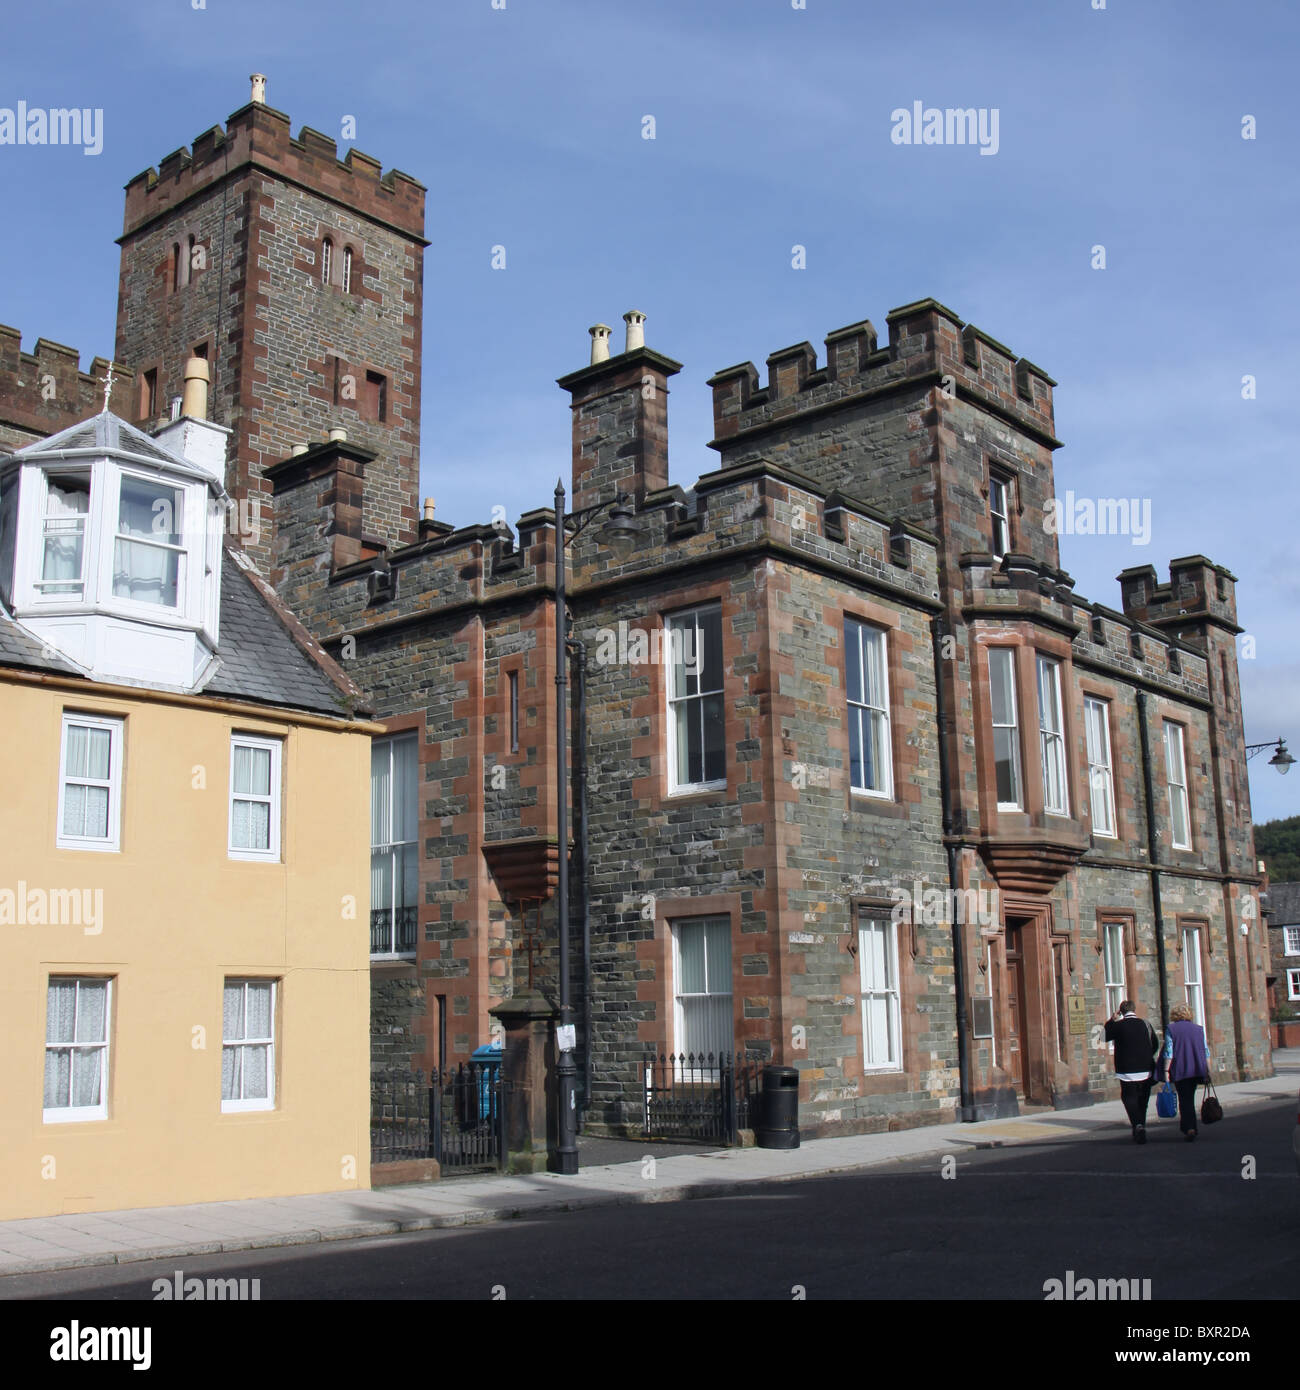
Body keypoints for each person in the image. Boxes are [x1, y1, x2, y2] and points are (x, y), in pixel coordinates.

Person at [1104, 1000, 1160, 1144]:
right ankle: (1141, 1125)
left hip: (1127, 1071)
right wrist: (1146, 1056)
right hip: (1146, 1069)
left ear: (1121, 1011)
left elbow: (1103, 1037)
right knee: (1143, 1101)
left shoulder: (1118, 1026)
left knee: (1129, 1099)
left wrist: (1112, 1020)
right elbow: (1155, 1044)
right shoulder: (1146, 1024)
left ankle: (1137, 1125)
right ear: (1134, 1010)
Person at [1162, 1003, 1211, 1141]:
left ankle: (1189, 1128)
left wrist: (1166, 1070)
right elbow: (1206, 1051)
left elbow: (1169, 1052)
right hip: (1196, 1068)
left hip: (1180, 1069)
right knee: (1189, 1097)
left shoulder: (1171, 1029)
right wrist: (1208, 1070)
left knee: (1185, 1099)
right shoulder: (1199, 1029)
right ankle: (1190, 1127)